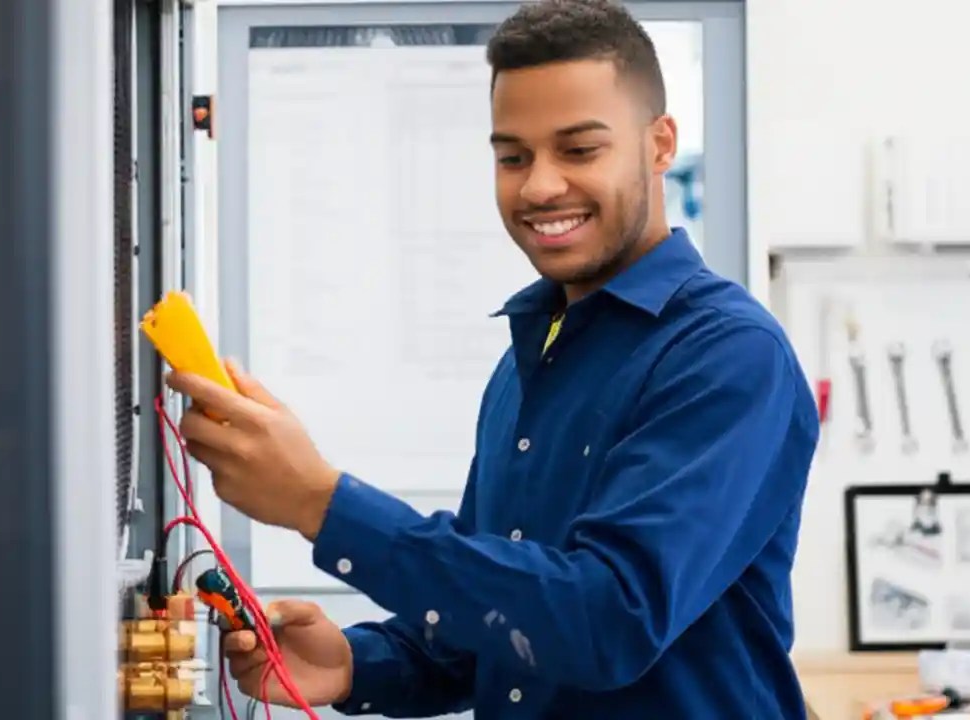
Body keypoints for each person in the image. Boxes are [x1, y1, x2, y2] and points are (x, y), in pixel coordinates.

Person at [166, 0, 819, 716]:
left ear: (660, 144)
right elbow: (504, 629)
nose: (539, 186)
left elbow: (607, 623)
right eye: (513, 156)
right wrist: (356, 662)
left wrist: (320, 503)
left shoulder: (727, 355)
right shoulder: (530, 355)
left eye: (578, 149)